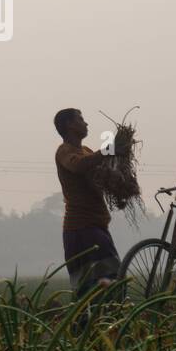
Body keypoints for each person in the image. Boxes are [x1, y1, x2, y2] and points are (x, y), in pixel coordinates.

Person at [53, 108, 120, 299]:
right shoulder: (64, 151)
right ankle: (89, 325)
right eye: (81, 119)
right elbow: (78, 165)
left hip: (96, 225)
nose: (86, 123)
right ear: (69, 125)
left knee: (105, 283)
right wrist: (107, 151)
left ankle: (103, 324)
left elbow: (101, 171)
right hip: (81, 229)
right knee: (95, 286)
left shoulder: (87, 151)